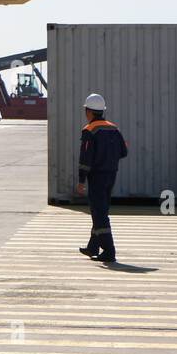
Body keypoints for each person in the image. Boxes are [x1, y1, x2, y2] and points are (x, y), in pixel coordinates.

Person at [76, 93, 128, 263]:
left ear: (89, 112)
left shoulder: (89, 131)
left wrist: (81, 180)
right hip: (111, 175)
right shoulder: (114, 128)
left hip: (96, 177)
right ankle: (93, 247)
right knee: (101, 210)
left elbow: (85, 159)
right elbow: (123, 152)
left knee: (99, 213)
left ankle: (109, 250)